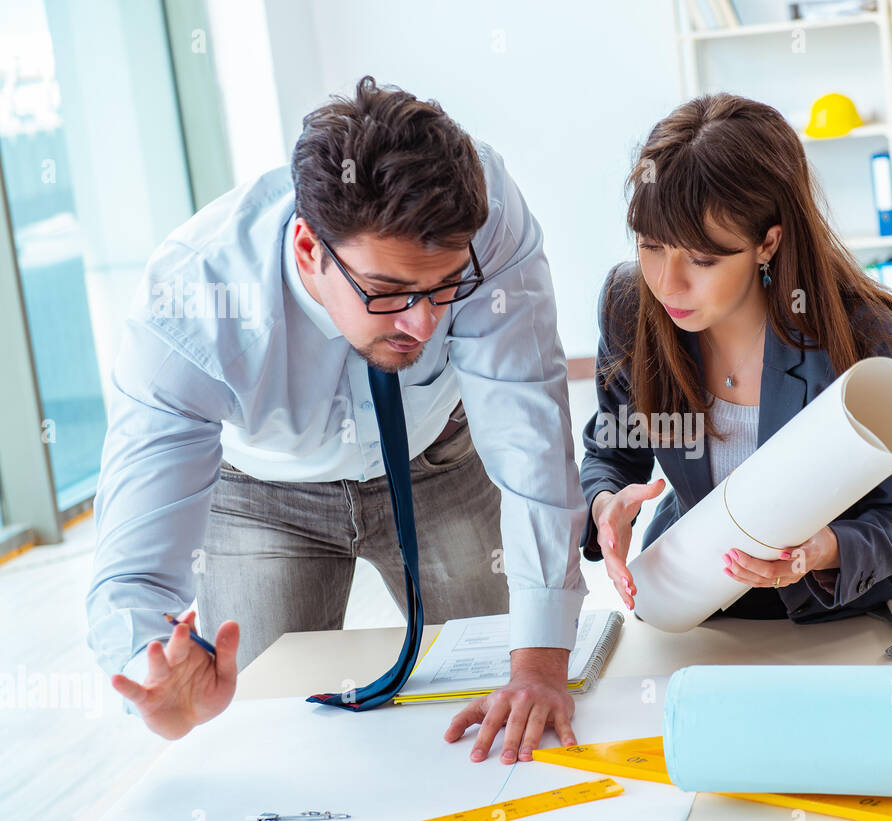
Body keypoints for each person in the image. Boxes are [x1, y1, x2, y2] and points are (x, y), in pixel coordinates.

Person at [86, 77, 585, 763]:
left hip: (436, 456)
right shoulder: (192, 305)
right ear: (307, 249)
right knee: (257, 725)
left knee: (509, 685)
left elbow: (532, 431)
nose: (422, 322)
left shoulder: (486, 216)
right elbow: (132, 575)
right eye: (388, 293)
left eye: (444, 289)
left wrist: (537, 669)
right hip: (262, 492)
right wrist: (155, 685)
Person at [581, 93, 892, 623]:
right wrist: (606, 505)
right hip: (701, 602)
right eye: (650, 246)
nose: (668, 283)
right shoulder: (630, 309)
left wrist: (823, 550)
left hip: (855, 608)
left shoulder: (863, 337)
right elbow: (612, 453)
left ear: (767, 243)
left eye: (701, 258)